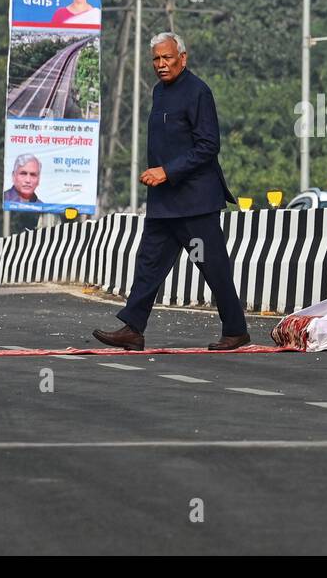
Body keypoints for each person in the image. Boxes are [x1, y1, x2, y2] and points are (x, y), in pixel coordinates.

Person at [93, 32, 250, 352]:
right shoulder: (158, 92)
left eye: (167, 57)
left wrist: (167, 171)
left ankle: (236, 331)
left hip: (195, 201)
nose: (161, 64)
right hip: (165, 202)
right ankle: (133, 329)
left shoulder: (198, 92)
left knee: (213, 266)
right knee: (148, 263)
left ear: (183, 58)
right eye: (156, 59)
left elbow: (208, 145)